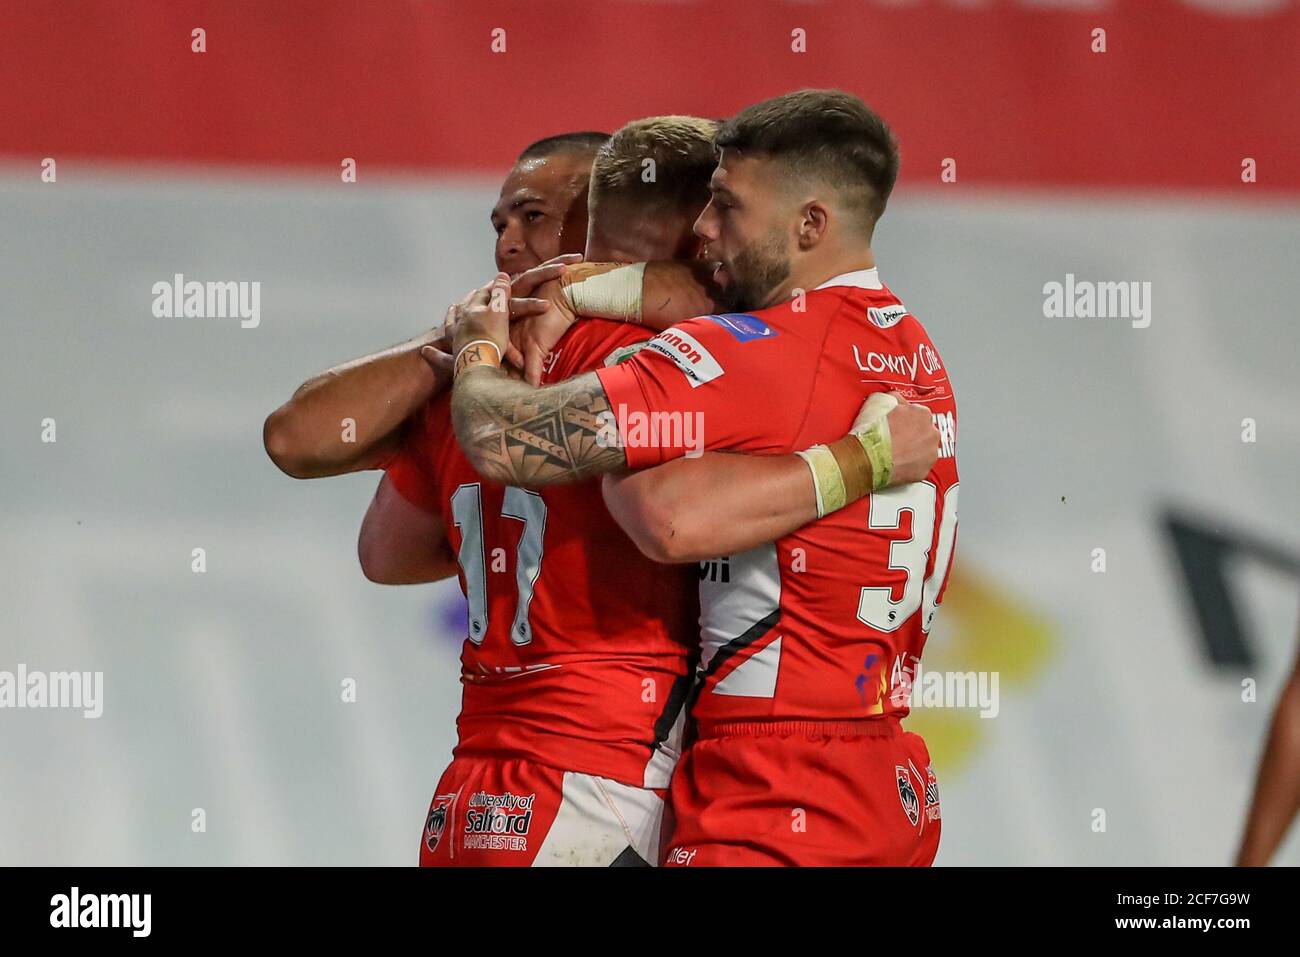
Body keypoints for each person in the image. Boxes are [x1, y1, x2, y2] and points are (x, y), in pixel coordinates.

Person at [448, 89, 959, 865]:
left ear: (809, 225)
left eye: (725, 206)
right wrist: (578, 289)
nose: (703, 230)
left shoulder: (748, 353)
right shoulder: (912, 347)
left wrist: (478, 348)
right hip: (888, 780)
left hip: (775, 787)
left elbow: (505, 439)